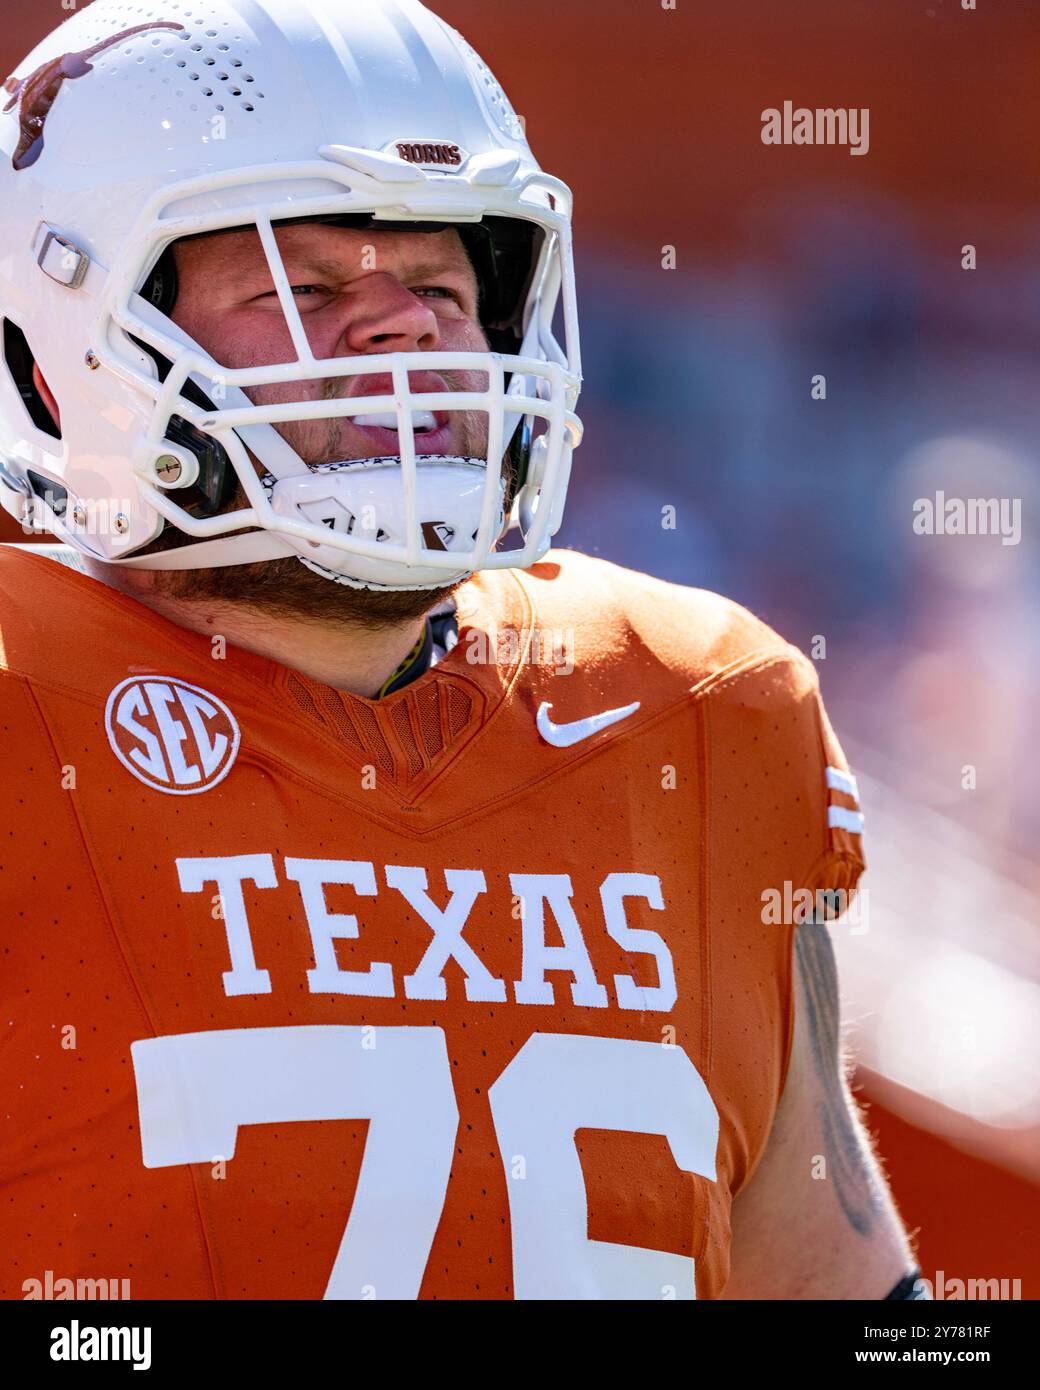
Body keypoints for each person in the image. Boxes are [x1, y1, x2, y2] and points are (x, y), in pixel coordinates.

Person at [0, 0, 922, 1300]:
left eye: (438, 285)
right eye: (303, 287)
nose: (405, 331)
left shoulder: (702, 709)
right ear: (60, 362)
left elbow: (829, 1278)